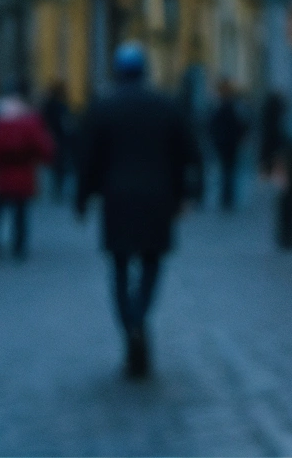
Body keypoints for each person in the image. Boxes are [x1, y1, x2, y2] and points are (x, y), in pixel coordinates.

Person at [76, 43, 198, 379]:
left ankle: (129, 323)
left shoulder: (102, 108)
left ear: (117, 71)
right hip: (159, 200)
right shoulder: (166, 106)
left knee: (117, 266)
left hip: (116, 200)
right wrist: (188, 194)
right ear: (145, 71)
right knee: (151, 263)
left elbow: (88, 159)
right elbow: (189, 154)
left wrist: (82, 199)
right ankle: (140, 316)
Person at [0, 94, 53, 258]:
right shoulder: (31, 124)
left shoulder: (0, 125)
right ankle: (19, 245)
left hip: (2, 174)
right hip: (24, 173)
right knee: (20, 212)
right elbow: (43, 148)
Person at [206, 81, 247, 211]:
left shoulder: (220, 107)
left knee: (226, 170)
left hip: (224, 143)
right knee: (229, 170)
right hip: (229, 143)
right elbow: (241, 125)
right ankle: (227, 197)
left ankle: (226, 197)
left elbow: (211, 125)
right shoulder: (233, 107)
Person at [37, 81, 72, 203]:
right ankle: (57, 189)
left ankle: (53, 189)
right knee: (59, 165)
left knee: (52, 165)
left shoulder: (47, 105)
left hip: (49, 137)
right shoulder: (62, 106)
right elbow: (66, 124)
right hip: (59, 138)